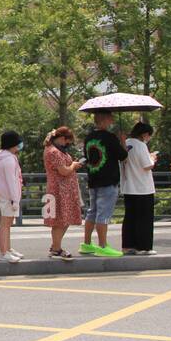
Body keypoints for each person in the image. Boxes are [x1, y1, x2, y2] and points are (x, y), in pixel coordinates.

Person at [81, 111, 129, 257]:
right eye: (110, 118)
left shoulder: (88, 138)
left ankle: (87, 243)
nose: (113, 120)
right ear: (105, 120)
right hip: (108, 180)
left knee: (92, 211)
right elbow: (123, 156)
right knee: (104, 214)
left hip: (93, 179)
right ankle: (102, 245)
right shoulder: (110, 137)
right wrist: (122, 141)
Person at [42, 126, 85, 261]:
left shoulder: (54, 150)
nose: (68, 144)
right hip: (59, 190)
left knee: (64, 219)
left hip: (64, 189)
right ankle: (56, 249)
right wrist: (73, 165)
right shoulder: (53, 151)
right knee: (60, 220)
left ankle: (56, 246)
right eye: (68, 141)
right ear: (62, 138)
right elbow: (64, 171)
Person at [121, 122, 158, 256]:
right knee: (144, 219)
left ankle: (128, 245)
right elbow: (147, 165)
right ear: (144, 134)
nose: (148, 138)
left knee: (130, 218)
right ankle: (144, 246)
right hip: (143, 187)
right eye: (149, 135)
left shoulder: (125, 143)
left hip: (128, 186)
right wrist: (152, 158)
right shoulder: (141, 145)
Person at [0, 131, 24, 264]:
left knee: (8, 223)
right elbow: (11, 181)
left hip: (5, 195)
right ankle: (3, 252)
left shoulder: (4, 156)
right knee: (5, 224)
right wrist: (14, 199)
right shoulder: (8, 159)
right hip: (9, 196)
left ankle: (7, 249)